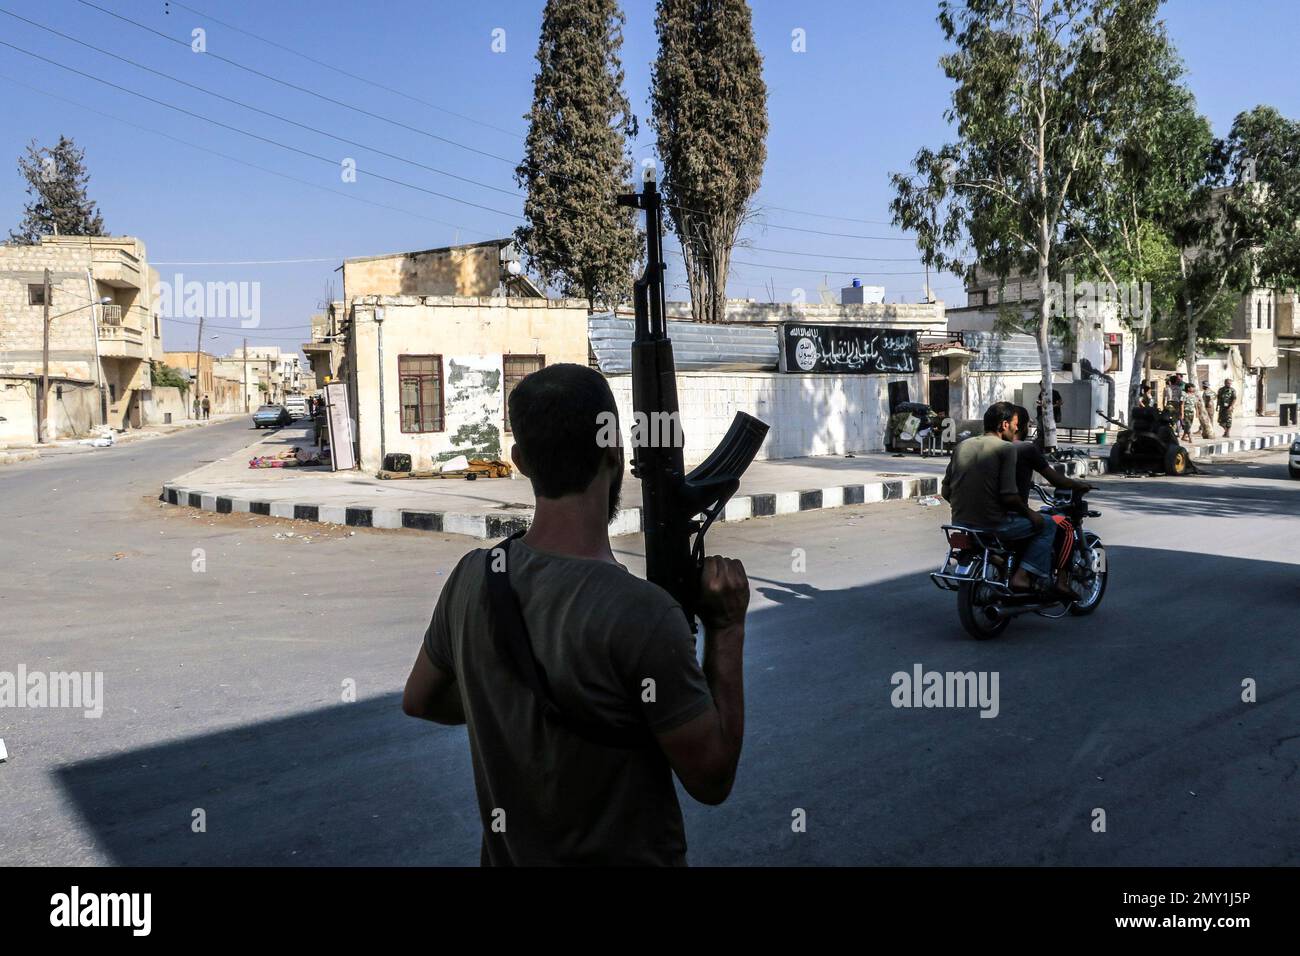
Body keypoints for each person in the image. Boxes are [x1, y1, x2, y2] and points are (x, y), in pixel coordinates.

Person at [402, 363, 748, 866]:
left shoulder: (472, 576)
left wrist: (504, 704)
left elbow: (420, 700)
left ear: (520, 460)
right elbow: (712, 778)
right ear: (615, 452)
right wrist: (728, 627)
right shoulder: (642, 614)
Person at [941, 401, 1072, 601]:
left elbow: (945, 491)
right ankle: (1023, 576)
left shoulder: (962, 446)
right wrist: (1031, 514)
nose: (1017, 428)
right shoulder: (1005, 449)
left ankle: (1005, 566)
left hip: (960, 523)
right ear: (1004, 425)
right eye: (1015, 423)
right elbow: (1009, 496)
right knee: (1046, 525)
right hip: (994, 525)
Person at [1010, 405, 1093, 504]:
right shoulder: (1026, 449)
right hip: (1016, 512)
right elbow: (1057, 480)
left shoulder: (993, 446)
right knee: (1048, 519)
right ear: (1019, 426)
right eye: (1028, 425)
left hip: (991, 512)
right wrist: (1078, 485)